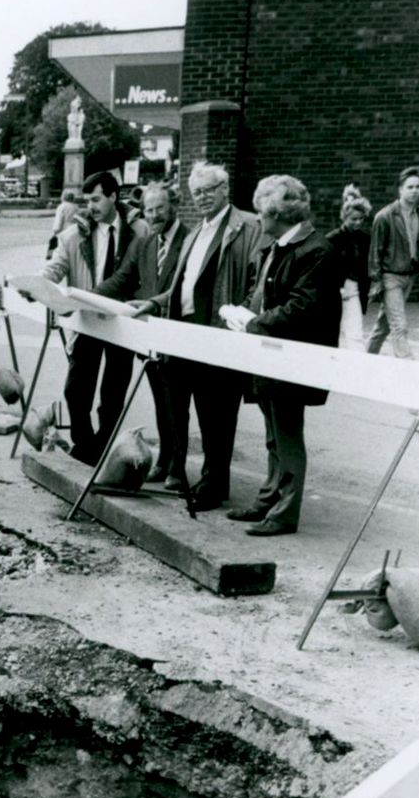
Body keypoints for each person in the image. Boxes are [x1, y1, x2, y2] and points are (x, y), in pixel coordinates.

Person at [125, 160, 262, 510]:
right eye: (196, 192)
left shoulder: (246, 226)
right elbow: (178, 286)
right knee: (199, 411)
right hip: (186, 335)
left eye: (208, 191)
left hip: (219, 336)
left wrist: (238, 319)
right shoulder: (198, 232)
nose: (201, 198)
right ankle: (204, 480)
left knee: (219, 415)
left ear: (224, 190)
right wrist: (154, 304)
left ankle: (214, 486)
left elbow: (255, 283)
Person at [219, 175, 341, 537]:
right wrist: (241, 311)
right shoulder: (277, 247)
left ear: (278, 213)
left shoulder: (316, 250)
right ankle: (270, 497)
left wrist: (252, 321)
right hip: (269, 356)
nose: (258, 220)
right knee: (274, 433)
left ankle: (284, 511)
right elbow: (260, 293)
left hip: (292, 359)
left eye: (261, 213)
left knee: (287, 434)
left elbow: (302, 308)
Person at [40, 170, 138, 464]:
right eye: (87, 200)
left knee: (113, 392)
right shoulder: (74, 234)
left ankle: (103, 446)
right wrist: (40, 284)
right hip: (86, 320)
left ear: (113, 196)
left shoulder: (137, 231)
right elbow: (56, 266)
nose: (91, 206)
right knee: (76, 389)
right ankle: (84, 444)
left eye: (96, 199)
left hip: (123, 324)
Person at [96, 182, 189, 486]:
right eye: (148, 210)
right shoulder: (144, 243)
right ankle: (164, 460)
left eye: (160, 208)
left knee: (177, 404)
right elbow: (122, 279)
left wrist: (154, 304)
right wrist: (85, 298)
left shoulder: (190, 240)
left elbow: (182, 289)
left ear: (173, 206)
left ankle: (177, 466)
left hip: (177, 337)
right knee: (161, 402)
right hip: (150, 341)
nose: (154, 215)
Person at [366, 166, 419, 358]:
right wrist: (376, 281)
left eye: (418, 187)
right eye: (410, 186)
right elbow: (375, 253)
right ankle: (408, 369)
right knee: (399, 326)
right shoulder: (385, 216)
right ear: (400, 189)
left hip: (409, 277)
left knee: (384, 325)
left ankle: (363, 359)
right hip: (390, 277)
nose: (415, 191)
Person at [325, 185, 373, 352]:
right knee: (330, 334)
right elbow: (325, 269)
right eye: (354, 219)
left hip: (354, 290)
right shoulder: (332, 239)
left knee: (355, 334)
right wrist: (336, 287)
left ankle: (357, 370)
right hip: (333, 290)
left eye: (361, 219)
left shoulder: (365, 239)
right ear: (344, 217)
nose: (358, 222)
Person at [46, 189, 80, 258]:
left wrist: (55, 231)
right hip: (74, 231)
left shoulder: (62, 207)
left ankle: (51, 256)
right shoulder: (75, 207)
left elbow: (59, 220)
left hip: (63, 231)